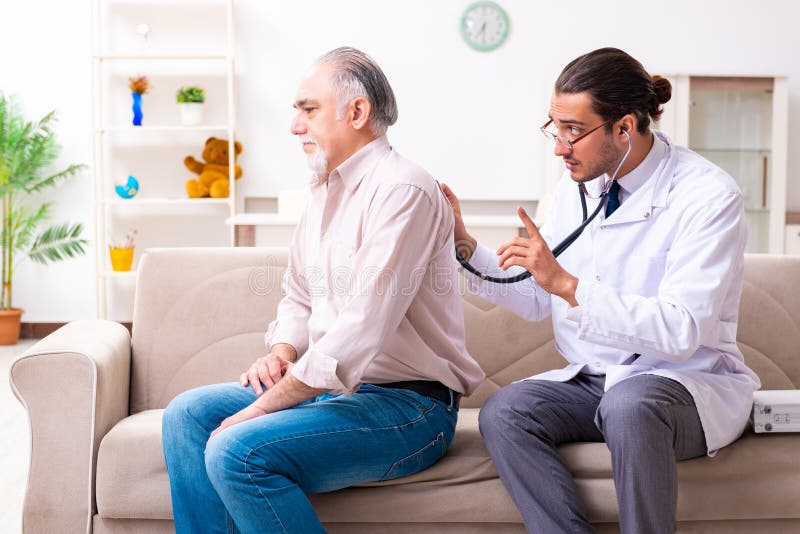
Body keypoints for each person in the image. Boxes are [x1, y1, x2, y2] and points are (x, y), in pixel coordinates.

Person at [162, 46, 485, 534]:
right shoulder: (321, 190)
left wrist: (266, 404)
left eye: (307, 109)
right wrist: (282, 350)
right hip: (331, 394)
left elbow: (361, 328)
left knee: (237, 451)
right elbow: (299, 294)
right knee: (187, 415)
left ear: (356, 112)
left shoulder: (404, 190)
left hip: (409, 408)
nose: (294, 125)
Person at [440, 47, 760, 534]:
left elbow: (680, 332)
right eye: (554, 127)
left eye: (573, 130)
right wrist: (464, 246)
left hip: (683, 382)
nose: (559, 147)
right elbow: (535, 297)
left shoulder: (708, 196)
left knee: (629, 405)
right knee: (506, 411)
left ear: (625, 128)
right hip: (598, 379)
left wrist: (568, 284)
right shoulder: (576, 186)